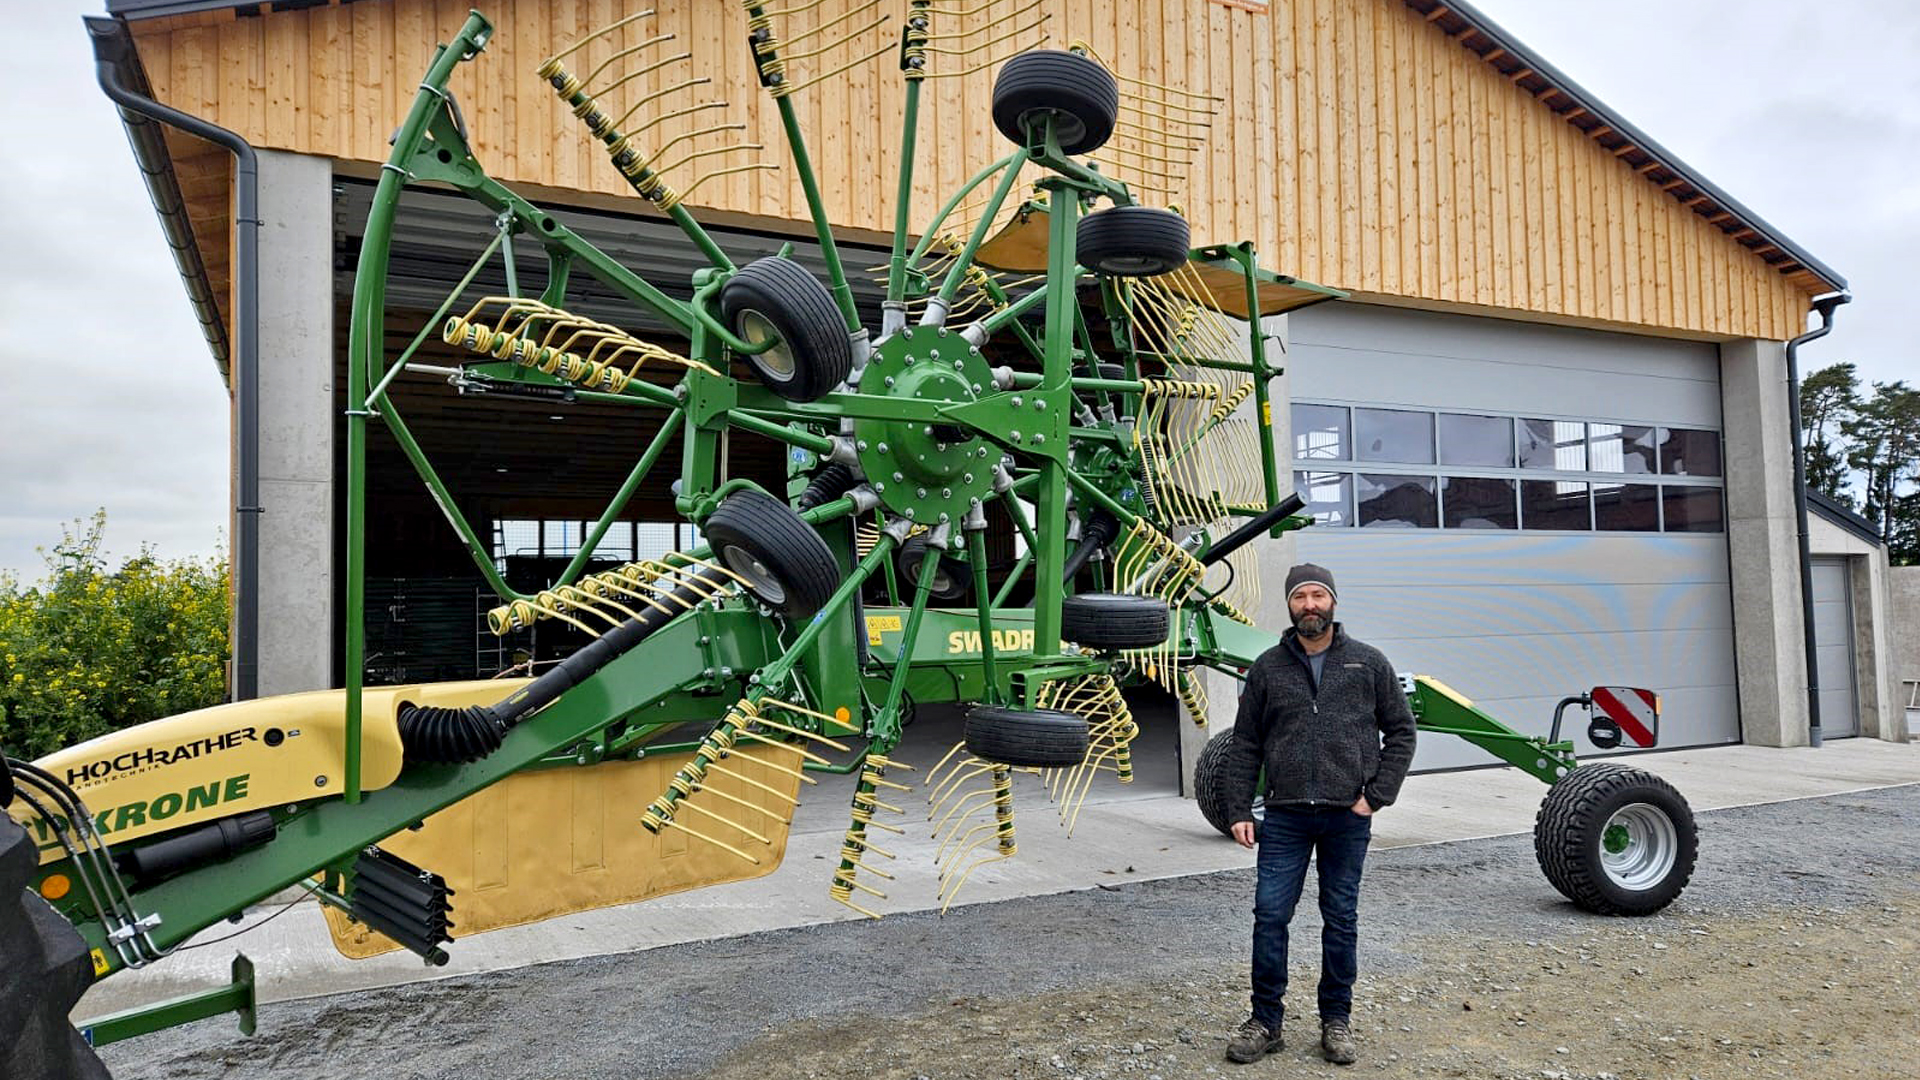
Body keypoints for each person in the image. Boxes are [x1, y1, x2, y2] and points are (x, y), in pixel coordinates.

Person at [1221, 563, 1417, 1066]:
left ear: (1333, 602)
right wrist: (1238, 808)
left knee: (1341, 918)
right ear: (1289, 605)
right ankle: (1266, 1022)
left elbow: (1402, 732)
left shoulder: (1368, 664)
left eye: (1318, 595)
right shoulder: (1267, 668)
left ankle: (1336, 1020)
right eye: (1300, 597)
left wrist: (1376, 796)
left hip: (1346, 817)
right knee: (1270, 916)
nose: (1310, 605)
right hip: (1284, 816)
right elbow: (1245, 743)